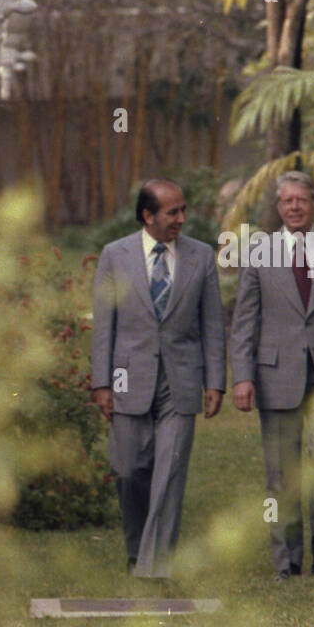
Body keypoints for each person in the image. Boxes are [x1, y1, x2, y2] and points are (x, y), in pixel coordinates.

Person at [231, 171, 314, 580]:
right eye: (286, 201)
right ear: (278, 208)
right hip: (275, 375)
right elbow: (244, 322)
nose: (293, 207)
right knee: (281, 470)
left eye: (301, 200)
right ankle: (286, 558)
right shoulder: (259, 253)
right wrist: (242, 376)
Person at [90, 178, 225, 578]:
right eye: (172, 212)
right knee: (129, 470)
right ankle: (138, 550)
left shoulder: (201, 257)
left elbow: (213, 324)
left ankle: (154, 567)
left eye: (183, 210)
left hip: (181, 381)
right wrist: (101, 383)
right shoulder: (115, 256)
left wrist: (215, 381)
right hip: (128, 377)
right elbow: (104, 325)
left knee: (169, 472)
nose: (181, 219)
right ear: (147, 216)